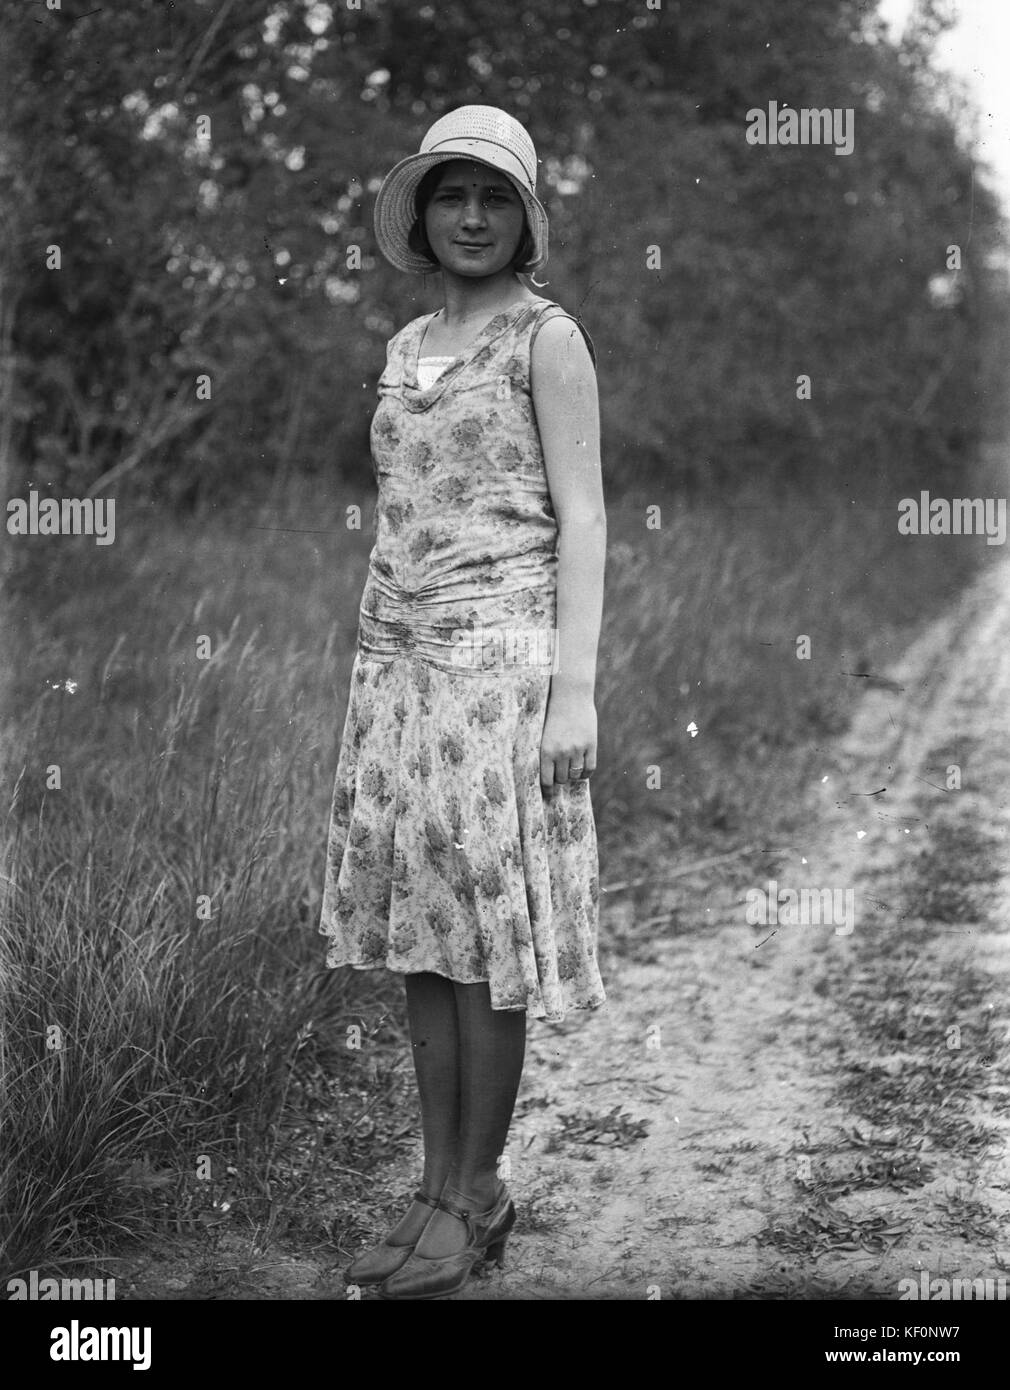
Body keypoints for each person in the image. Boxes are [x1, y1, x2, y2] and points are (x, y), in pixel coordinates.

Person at [319, 104, 607, 1301]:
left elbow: (583, 518)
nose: (472, 218)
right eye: (451, 197)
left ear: (525, 216)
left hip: (502, 672)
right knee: (422, 936)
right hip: (395, 670)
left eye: (493, 198)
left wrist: (571, 691)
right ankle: (435, 1186)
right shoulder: (404, 342)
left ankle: (477, 1190)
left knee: (489, 945)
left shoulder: (547, 339)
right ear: (422, 216)